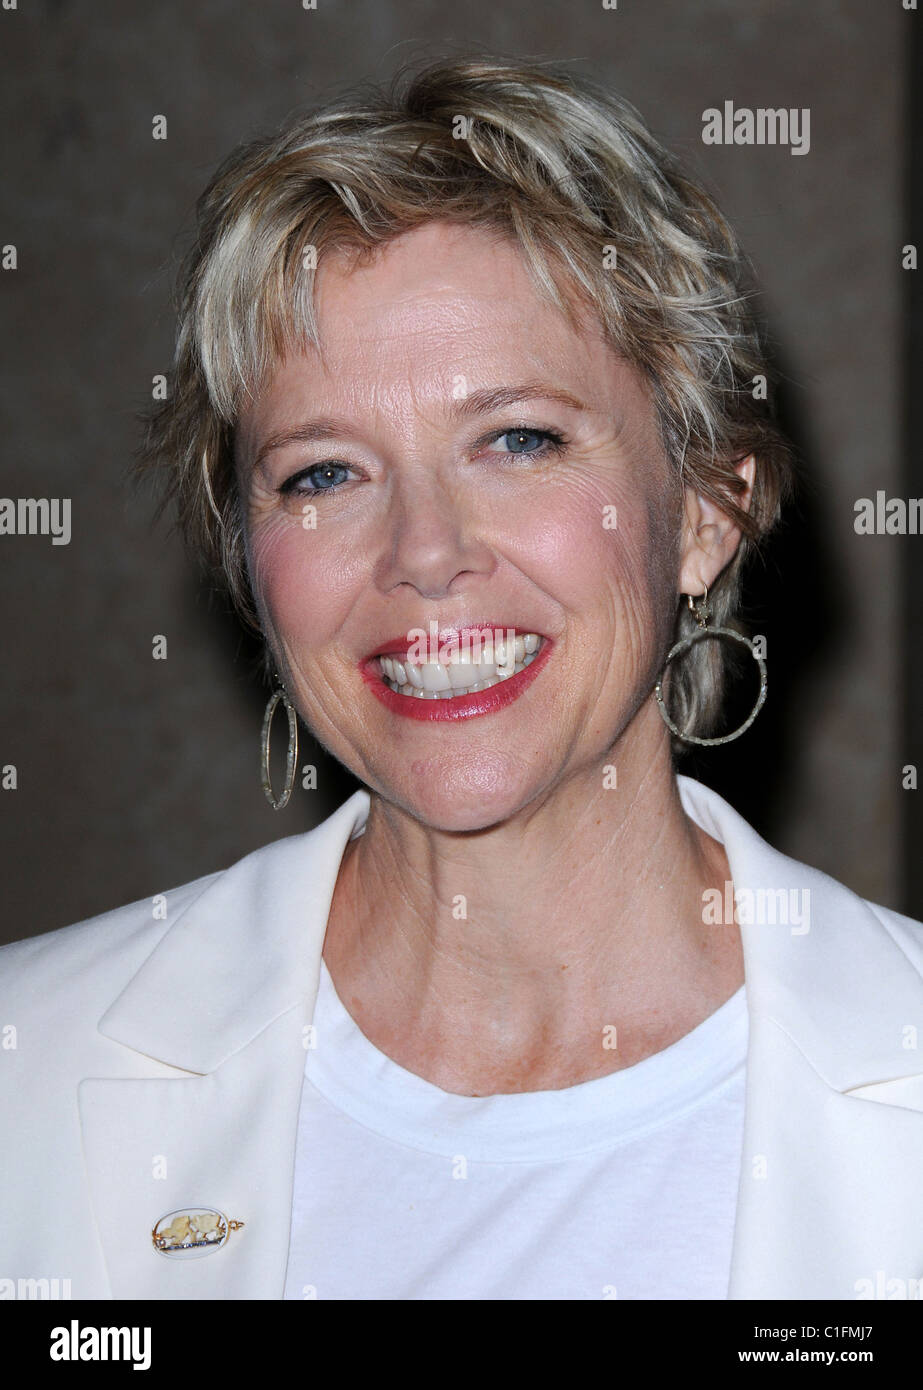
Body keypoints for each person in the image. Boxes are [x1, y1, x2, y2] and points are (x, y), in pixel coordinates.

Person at [2, 55, 922, 1303]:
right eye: (322, 472)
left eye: (517, 439)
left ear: (707, 508)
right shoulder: (29, 1071)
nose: (424, 555)